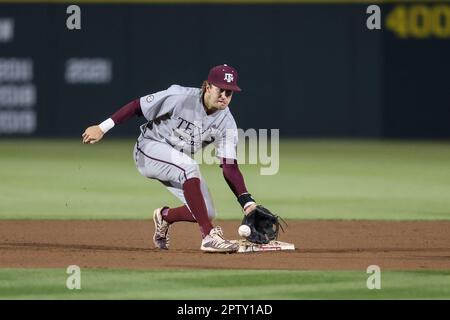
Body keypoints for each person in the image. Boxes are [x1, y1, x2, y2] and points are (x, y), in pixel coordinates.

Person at [82, 64, 258, 253]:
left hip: (176, 161)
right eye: (220, 89)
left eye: (229, 92)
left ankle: (165, 216)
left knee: (206, 212)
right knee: (189, 167)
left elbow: (229, 166)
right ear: (207, 87)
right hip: (148, 149)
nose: (224, 95)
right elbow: (137, 106)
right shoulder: (180, 96)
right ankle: (208, 236)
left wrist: (247, 202)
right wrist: (102, 127)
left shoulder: (226, 122)